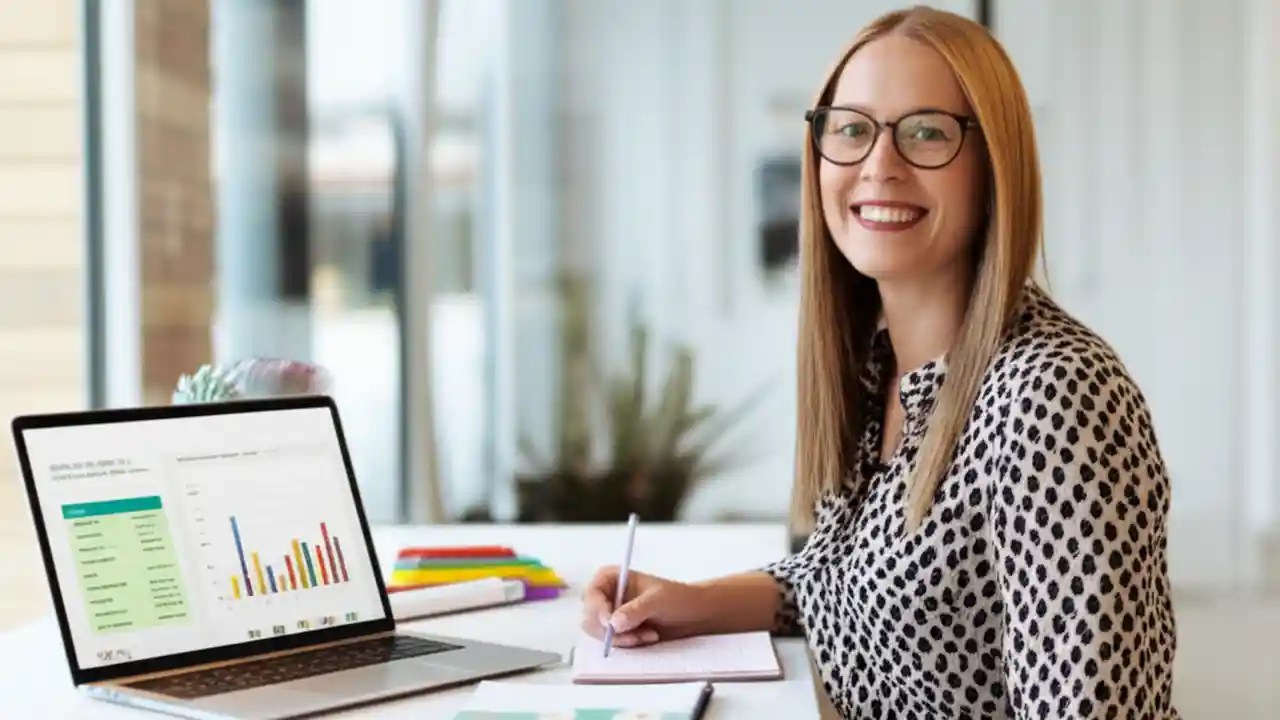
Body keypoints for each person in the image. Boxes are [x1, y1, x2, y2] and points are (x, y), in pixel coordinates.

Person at [580, 6, 1179, 719]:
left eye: (926, 132)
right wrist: (691, 603)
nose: (879, 166)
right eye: (852, 130)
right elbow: (852, 582)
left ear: (995, 167)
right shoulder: (876, 367)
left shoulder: (1053, 399)